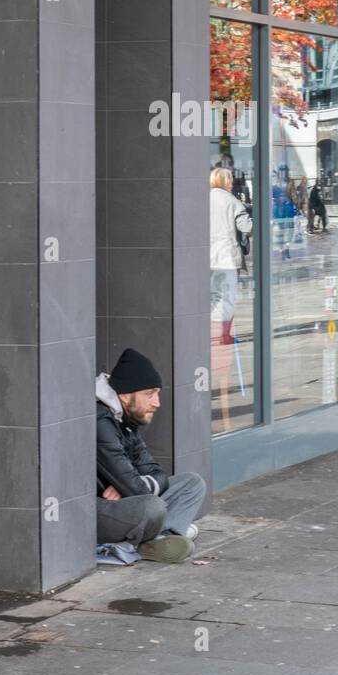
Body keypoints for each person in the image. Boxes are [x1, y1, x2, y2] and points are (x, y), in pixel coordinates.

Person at [96, 348, 206, 563]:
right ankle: (166, 534)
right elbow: (135, 489)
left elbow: (156, 473)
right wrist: (129, 486)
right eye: (149, 394)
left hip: (123, 502)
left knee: (193, 483)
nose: (157, 402)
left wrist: (125, 486)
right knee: (150, 506)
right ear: (126, 395)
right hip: (97, 510)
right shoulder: (101, 421)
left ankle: (159, 539)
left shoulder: (126, 419)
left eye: (157, 393)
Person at [210, 166, 252, 347]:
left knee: (211, 296)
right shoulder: (233, 202)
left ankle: (205, 333)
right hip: (227, 257)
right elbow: (247, 228)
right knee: (227, 296)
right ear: (227, 182)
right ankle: (224, 335)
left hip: (205, 257)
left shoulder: (201, 199)